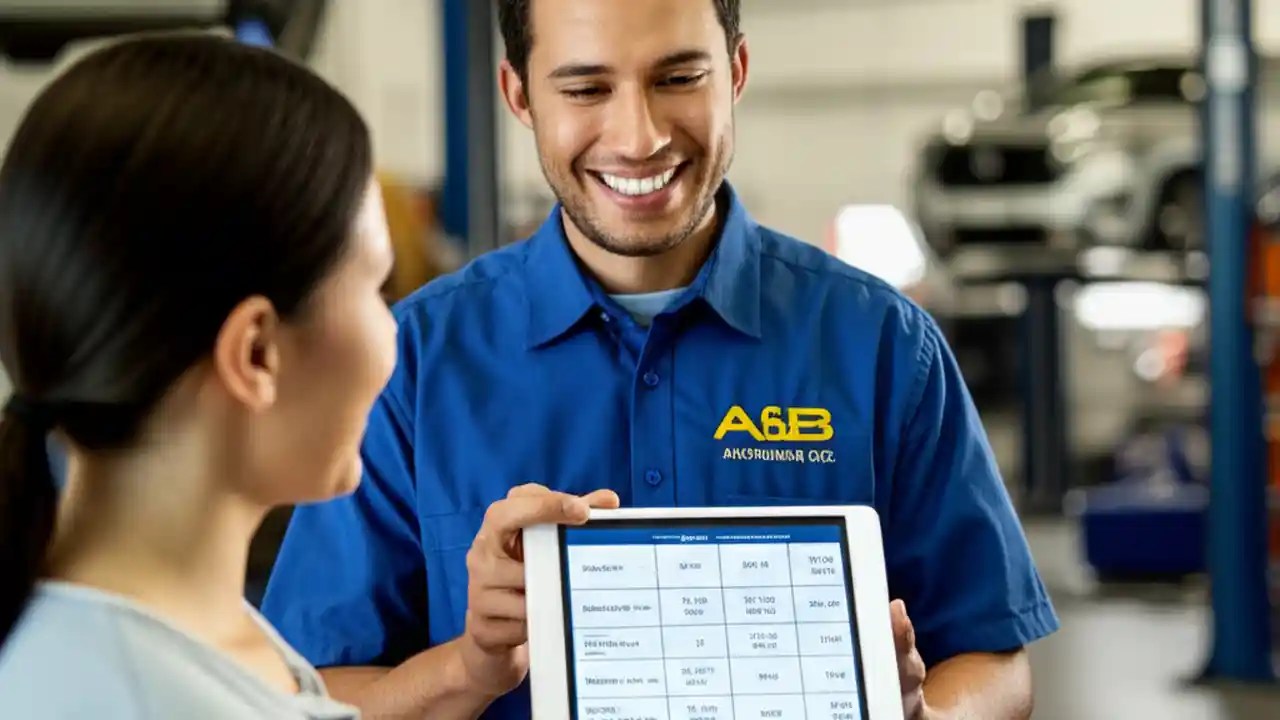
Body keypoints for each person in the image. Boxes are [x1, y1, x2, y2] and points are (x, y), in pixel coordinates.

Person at [262, 1, 1061, 718]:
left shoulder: (882, 346)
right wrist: (470, 669)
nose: (639, 135)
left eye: (678, 77)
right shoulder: (415, 367)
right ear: (518, 94)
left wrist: (923, 718)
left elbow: (993, 659)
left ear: (736, 71)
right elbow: (310, 695)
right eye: (584, 90)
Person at [0, 33, 444, 718]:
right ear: (256, 353)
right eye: (376, 289)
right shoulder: (127, 693)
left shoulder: (175, 629)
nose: (394, 331)